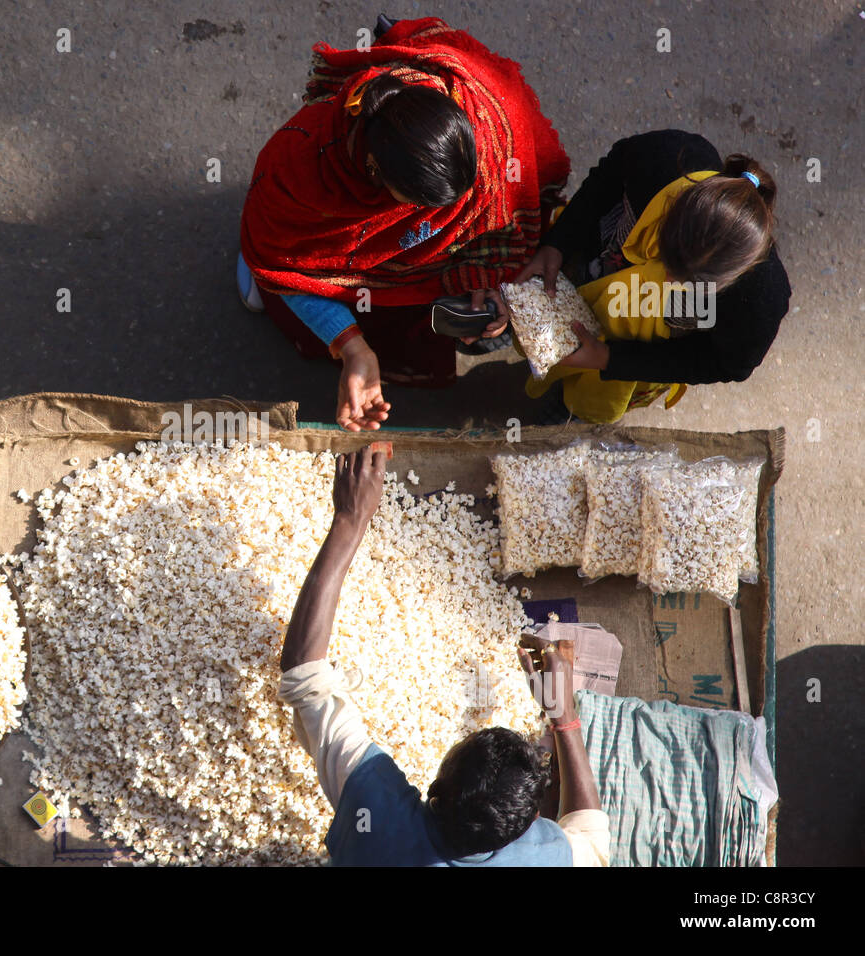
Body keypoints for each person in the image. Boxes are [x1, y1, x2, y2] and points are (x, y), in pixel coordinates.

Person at [278, 445, 610, 865]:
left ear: (432, 792)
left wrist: (351, 518)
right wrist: (564, 717)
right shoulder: (537, 859)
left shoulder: (379, 819)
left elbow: (303, 672)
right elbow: (594, 844)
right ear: (531, 824)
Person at [237, 16, 569, 431]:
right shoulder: (298, 175)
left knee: (434, 312)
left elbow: (496, 217)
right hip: (316, 258)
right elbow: (282, 260)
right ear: (374, 170)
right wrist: (353, 347)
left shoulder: (484, 116)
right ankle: (253, 272)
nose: (441, 218)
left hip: (412, 273)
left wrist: (487, 280)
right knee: (276, 274)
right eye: (417, 204)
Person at [503, 129, 792, 424]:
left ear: (730, 281)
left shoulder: (759, 300)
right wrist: (558, 243)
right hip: (595, 266)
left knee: (581, 402)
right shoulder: (665, 158)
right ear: (672, 207)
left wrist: (610, 360)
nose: (663, 281)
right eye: (663, 257)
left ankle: (570, 408)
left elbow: (722, 363)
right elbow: (608, 175)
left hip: (644, 352)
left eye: (687, 284)